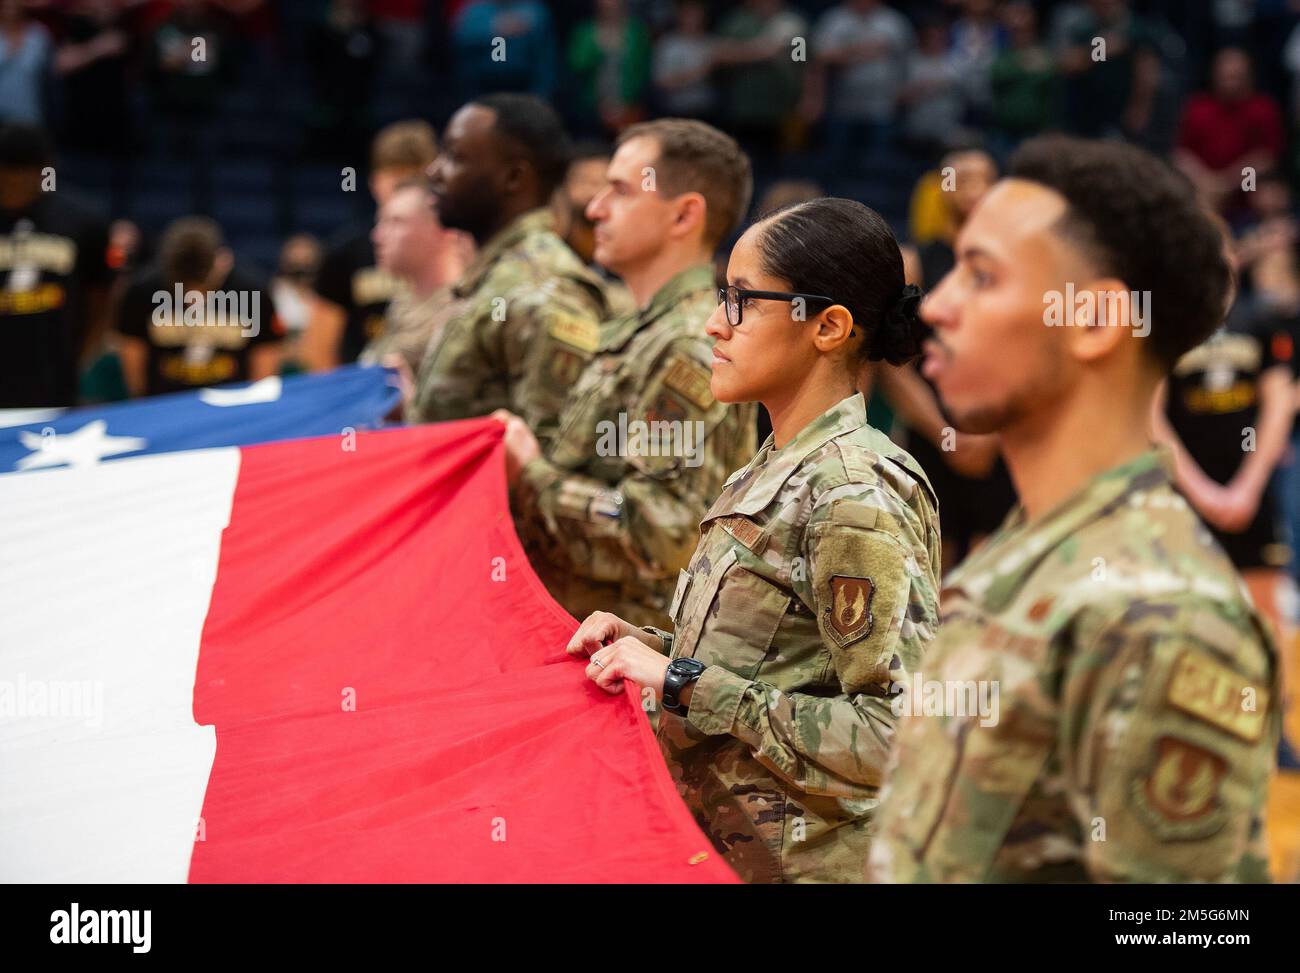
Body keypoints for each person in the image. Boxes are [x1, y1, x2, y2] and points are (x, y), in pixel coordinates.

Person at [869, 136, 1279, 883]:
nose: (938, 304)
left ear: (1093, 320)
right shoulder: (1026, 548)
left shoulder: (1160, 611)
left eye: (982, 275)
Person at [563, 197, 942, 883]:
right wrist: (650, 647)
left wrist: (684, 681)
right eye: (720, 296)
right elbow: (779, 663)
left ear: (827, 326)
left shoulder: (855, 490)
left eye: (742, 301)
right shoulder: (771, 464)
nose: (714, 323)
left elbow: (900, 735)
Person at [498, 118, 758, 628]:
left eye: (618, 191)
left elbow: (659, 533)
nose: (593, 209)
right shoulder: (637, 331)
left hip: (634, 652)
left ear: (684, 216)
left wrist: (530, 474)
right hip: (589, 632)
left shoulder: (688, 347)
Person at [407, 93, 610, 451]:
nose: (433, 171)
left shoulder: (543, 287)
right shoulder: (502, 273)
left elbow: (550, 456)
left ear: (514, 177)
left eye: (455, 157)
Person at [302, 120, 438, 371]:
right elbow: (317, 347)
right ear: (375, 183)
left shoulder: (453, 245)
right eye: (398, 181)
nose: (407, 191)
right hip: (368, 388)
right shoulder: (346, 252)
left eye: (416, 180)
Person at [0, 123, 112, 408]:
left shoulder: (81, 220)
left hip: (53, 378)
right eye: (12, 178)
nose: (18, 187)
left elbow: (102, 297)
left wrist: (81, 356)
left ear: (45, 170)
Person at [114, 216, 283, 397]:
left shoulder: (253, 291)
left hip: (231, 404)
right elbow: (133, 362)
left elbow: (265, 367)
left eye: (203, 286)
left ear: (221, 263)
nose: (192, 298)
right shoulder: (142, 290)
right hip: (165, 404)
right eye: (183, 287)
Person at [359, 178, 473, 374]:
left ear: (443, 229)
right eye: (381, 222)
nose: (377, 236)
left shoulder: (464, 311)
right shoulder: (402, 306)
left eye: (396, 221)